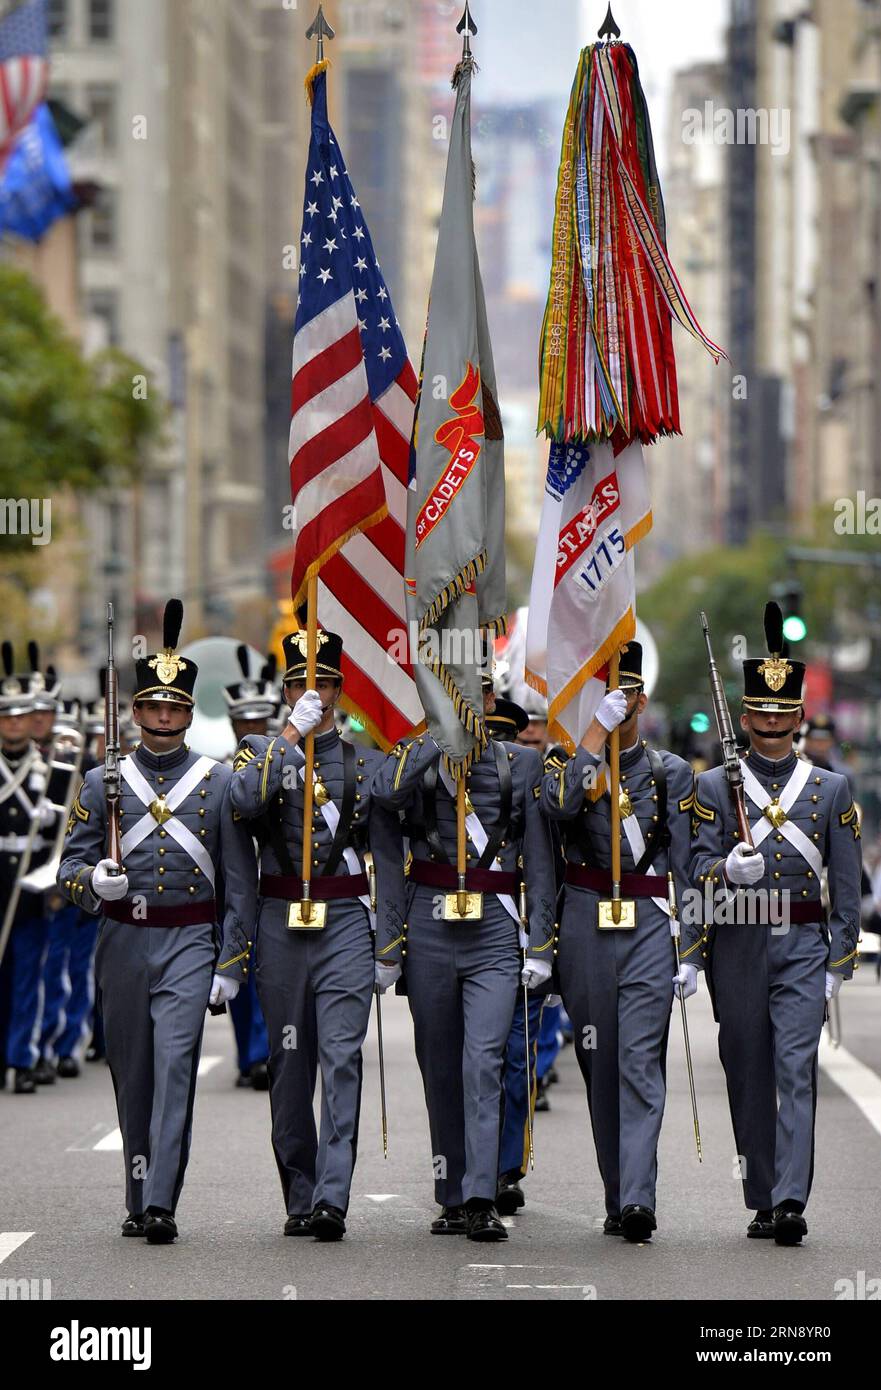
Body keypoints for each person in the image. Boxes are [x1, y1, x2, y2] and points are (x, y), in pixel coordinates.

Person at [57, 600, 256, 1244]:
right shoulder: (99, 783)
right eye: (153, 707)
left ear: (188, 714)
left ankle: (163, 1200)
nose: (165, 718)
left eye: (175, 708)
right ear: (137, 712)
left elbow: (237, 881)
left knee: (176, 1066)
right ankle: (137, 1191)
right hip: (122, 938)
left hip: (190, 938)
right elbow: (68, 868)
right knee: (133, 1072)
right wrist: (94, 881)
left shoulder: (218, 783)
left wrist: (231, 961)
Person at [684, 602, 862, 1246]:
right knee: (747, 1069)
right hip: (735, 942)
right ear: (747, 713)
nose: (770, 724)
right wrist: (725, 871)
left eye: (782, 715)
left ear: (797, 719)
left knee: (795, 1068)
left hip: (802, 947)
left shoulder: (831, 789)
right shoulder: (711, 788)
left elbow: (845, 888)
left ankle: (790, 1199)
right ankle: (760, 1194)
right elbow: (693, 872)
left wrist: (840, 965)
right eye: (761, 713)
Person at [229, 627, 404, 1242]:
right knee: (289, 1061)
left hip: (345, 925)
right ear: (286, 691)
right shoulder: (258, 750)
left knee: (341, 1057)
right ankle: (298, 1191)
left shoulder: (364, 762)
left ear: (340, 689)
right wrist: (289, 736)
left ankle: (333, 1195)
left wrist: (389, 944)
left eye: (324, 684)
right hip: (279, 923)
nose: (315, 693)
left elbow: (387, 856)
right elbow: (246, 803)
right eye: (302, 684)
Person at [372, 689, 556, 1243]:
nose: (465, 699)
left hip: (496, 924)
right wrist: (438, 735)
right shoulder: (415, 753)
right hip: (427, 921)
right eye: (450, 687)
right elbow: (384, 794)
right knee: (441, 1064)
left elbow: (541, 858)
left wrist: (543, 944)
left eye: (472, 689)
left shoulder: (520, 761)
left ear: (488, 693)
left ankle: (481, 1196)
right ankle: (449, 1193)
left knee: (484, 1060)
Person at [540, 642, 694, 1243]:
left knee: (639, 1061)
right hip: (582, 919)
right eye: (606, 698)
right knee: (598, 1063)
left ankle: (638, 1197)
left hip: (648, 920)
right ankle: (616, 1188)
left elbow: (687, 864)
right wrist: (591, 740)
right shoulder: (564, 763)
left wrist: (692, 947)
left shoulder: (668, 771)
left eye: (626, 696)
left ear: (641, 699)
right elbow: (558, 806)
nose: (617, 705)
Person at [0, 643, 67, 1094]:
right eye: (6, 717)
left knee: (29, 975)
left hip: (31, 883)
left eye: (20, 717)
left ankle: (22, 1059)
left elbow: (62, 837)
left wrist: (54, 881)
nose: (14, 724)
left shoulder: (52, 770)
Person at [220, 647, 277, 1090]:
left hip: (277, 886)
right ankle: (249, 1055)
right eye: (245, 723)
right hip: (233, 889)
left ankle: (268, 1053)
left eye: (260, 722)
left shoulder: (287, 765)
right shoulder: (220, 771)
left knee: (272, 974)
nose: (252, 730)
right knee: (237, 970)